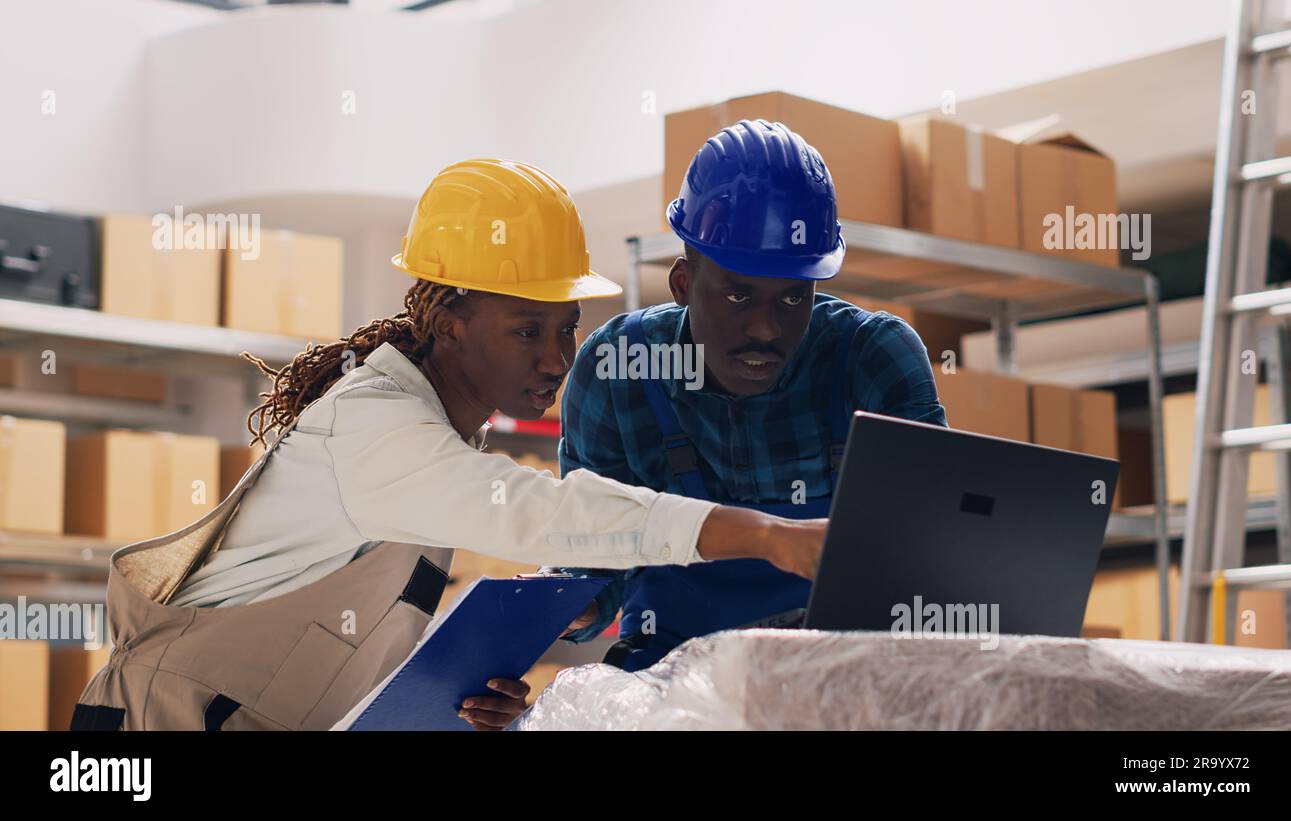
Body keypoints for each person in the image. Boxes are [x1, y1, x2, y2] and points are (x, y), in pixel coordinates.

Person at [72, 158, 825, 732]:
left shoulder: (437, 435)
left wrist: (457, 698)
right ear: (452, 321)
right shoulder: (377, 427)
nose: (557, 358)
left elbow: (338, 644)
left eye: (565, 328)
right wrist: (759, 532)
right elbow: (543, 512)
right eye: (526, 330)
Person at [557, 120, 947, 671]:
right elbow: (595, 550)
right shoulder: (619, 369)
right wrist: (568, 603)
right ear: (682, 286)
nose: (765, 329)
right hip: (674, 687)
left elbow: (934, 545)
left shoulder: (870, 358)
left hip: (847, 683)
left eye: (792, 299)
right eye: (739, 295)